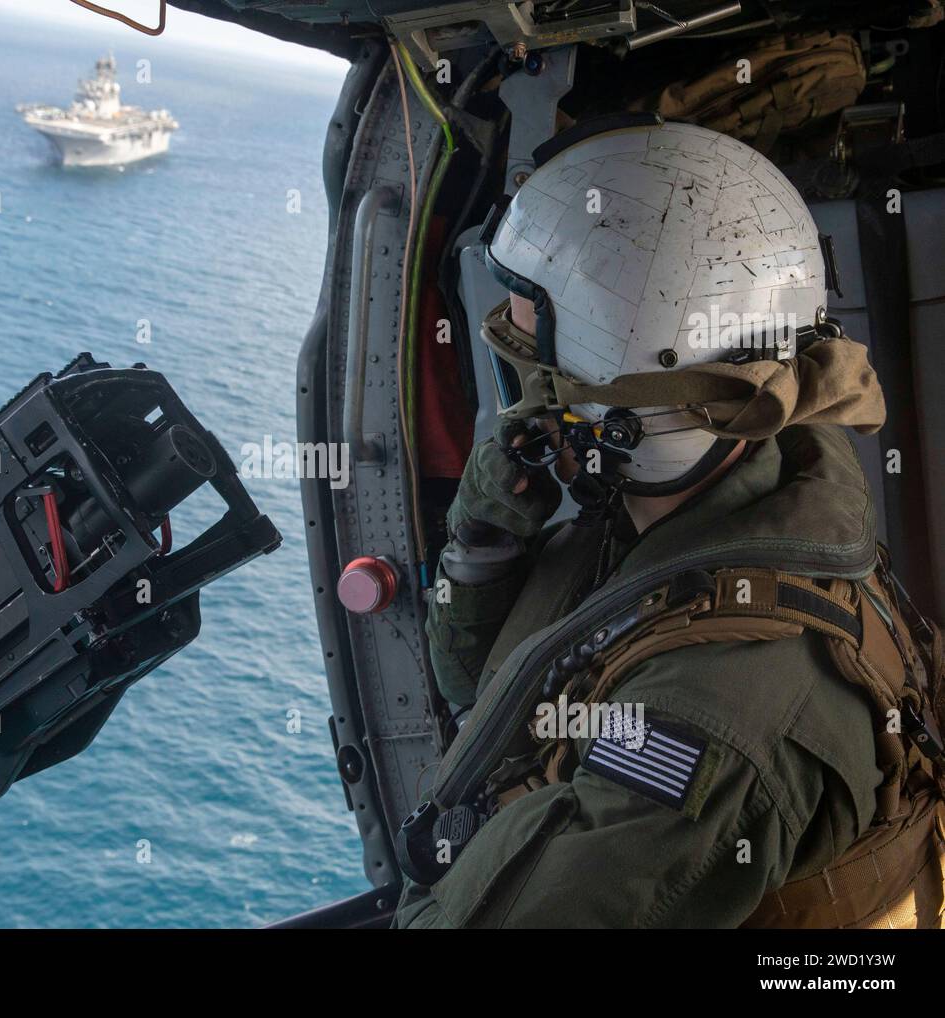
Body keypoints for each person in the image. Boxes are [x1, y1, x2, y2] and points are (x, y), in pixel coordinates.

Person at [394, 118, 944, 929]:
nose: (526, 398)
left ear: (629, 401)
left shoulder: (712, 718)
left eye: (537, 366)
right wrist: (486, 544)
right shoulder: (688, 514)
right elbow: (480, 689)